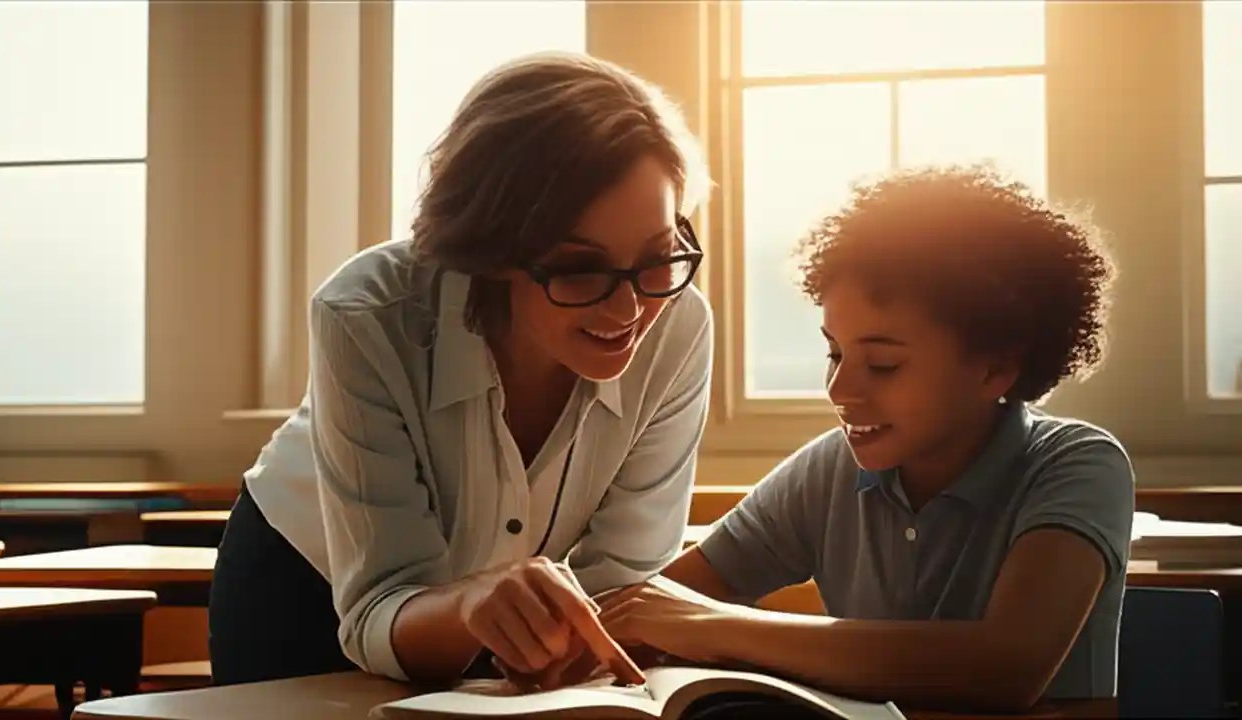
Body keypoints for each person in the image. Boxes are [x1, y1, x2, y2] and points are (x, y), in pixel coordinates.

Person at [208, 51, 714, 688]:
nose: (630, 306)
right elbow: (377, 603)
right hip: (308, 584)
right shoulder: (366, 314)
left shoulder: (680, 323)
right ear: (493, 248)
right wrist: (477, 605)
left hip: (503, 615)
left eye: (659, 256)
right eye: (580, 267)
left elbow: (624, 579)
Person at [595, 165, 1134, 713]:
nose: (840, 387)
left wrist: (711, 626)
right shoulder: (830, 470)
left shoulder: (1077, 465)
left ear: (994, 370)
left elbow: (1005, 668)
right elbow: (668, 603)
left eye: (883, 364)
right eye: (835, 352)